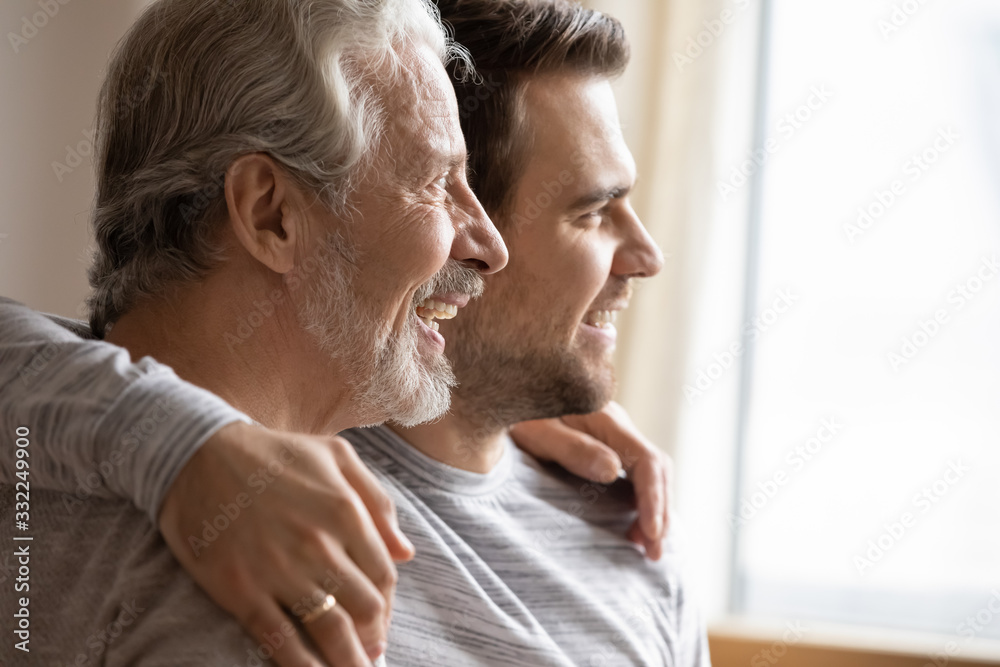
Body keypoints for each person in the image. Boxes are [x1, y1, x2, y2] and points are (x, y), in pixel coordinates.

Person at [0, 0, 672, 665]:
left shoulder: (46, 433)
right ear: (272, 215)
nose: (488, 246)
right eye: (440, 181)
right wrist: (187, 445)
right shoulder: (269, 570)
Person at [337, 0, 709, 663]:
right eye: (593, 212)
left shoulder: (633, 529)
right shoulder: (275, 522)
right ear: (460, 234)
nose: (647, 256)